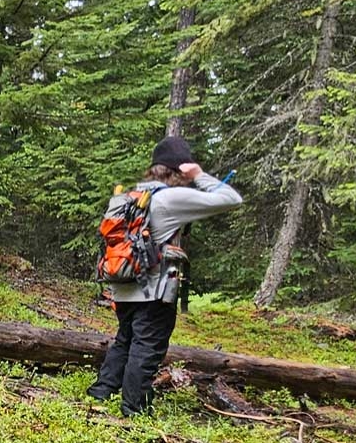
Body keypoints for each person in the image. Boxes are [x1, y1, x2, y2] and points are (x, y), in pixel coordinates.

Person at [87, 136, 243, 416]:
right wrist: (199, 175)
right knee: (147, 347)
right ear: (180, 169)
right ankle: (134, 409)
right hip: (153, 290)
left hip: (123, 284)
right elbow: (231, 199)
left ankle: (101, 392)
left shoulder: (136, 194)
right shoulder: (171, 197)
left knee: (125, 339)